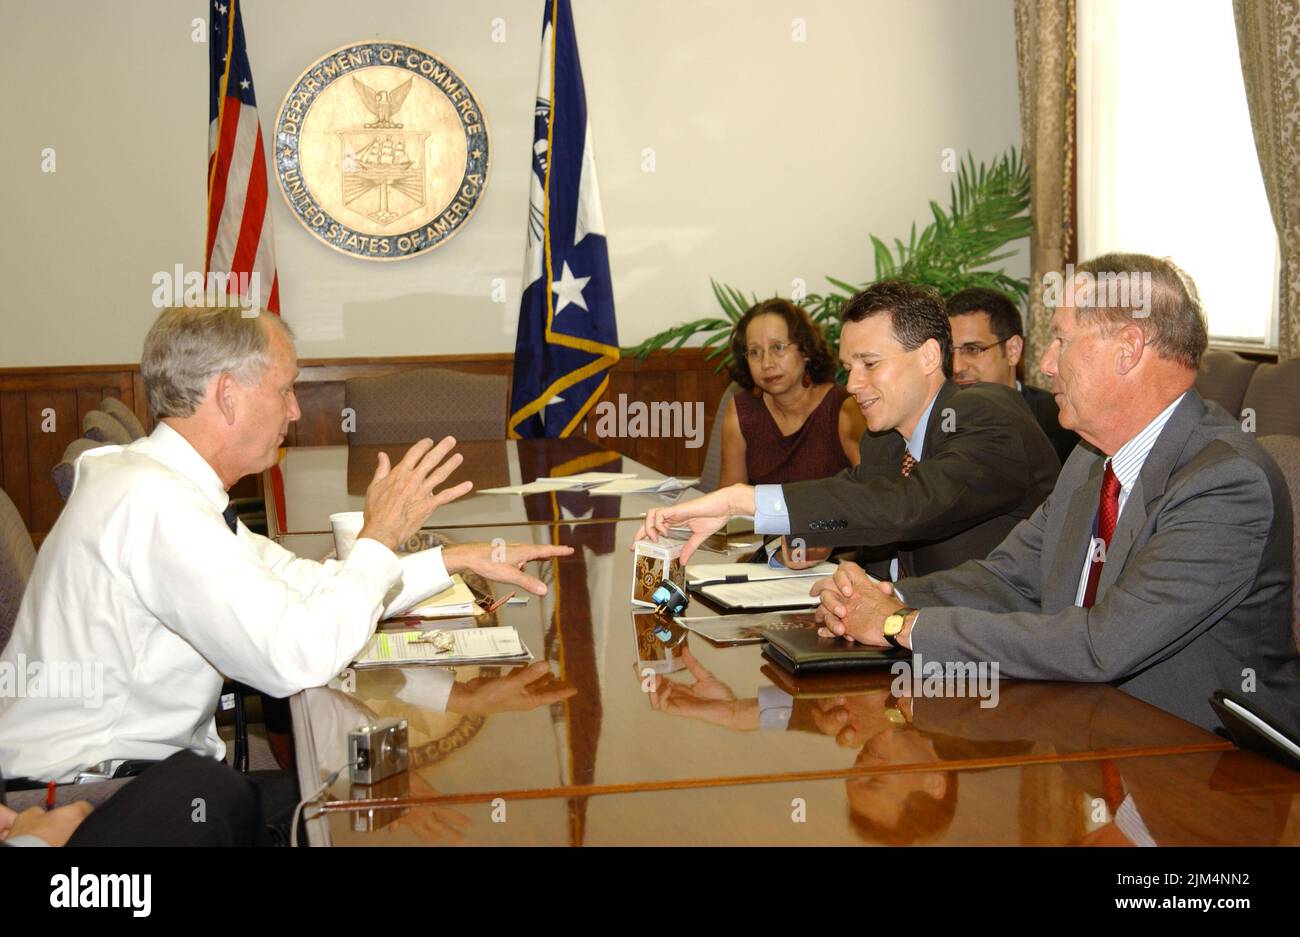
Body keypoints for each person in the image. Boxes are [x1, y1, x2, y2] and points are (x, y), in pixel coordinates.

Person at [0, 305, 572, 785]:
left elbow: (300, 583)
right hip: (89, 789)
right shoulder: (155, 504)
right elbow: (297, 656)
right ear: (227, 397)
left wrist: (451, 561)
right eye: (284, 388)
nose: (296, 410)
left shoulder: (155, 481)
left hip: (138, 771)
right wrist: (376, 536)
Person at [813, 254, 1300, 734]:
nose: (1044, 364)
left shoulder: (1224, 485)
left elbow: (1104, 642)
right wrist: (879, 598)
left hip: (1206, 769)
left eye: (1062, 340)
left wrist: (902, 624)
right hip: (1083, 731)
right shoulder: (1090, 460)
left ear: (1127, 349)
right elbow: (1010, 579)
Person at [637, 281, 1060, 579]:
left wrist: (740, 501)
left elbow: (907, 507)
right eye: (848, 368)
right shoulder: (883, 441)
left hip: (989, 668)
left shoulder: (989, 413)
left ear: (930, 356)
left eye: (870, 364)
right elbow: (858, 503)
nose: (853, 383)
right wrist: (813, 541)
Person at [719, 298, 865, 487]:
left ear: (805, 350)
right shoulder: (742, 411)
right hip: (757, 517)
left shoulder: (843, 409)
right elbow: (729, 500)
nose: (766, 363)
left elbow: (872, 496)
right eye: (755, 352)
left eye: (778, 348)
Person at [947, 286, 1079, 463]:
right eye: (949, 352)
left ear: (1012, 350)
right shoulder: (941, 418)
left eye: (972, 349)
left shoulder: (1061, 422)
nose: (957, 367)